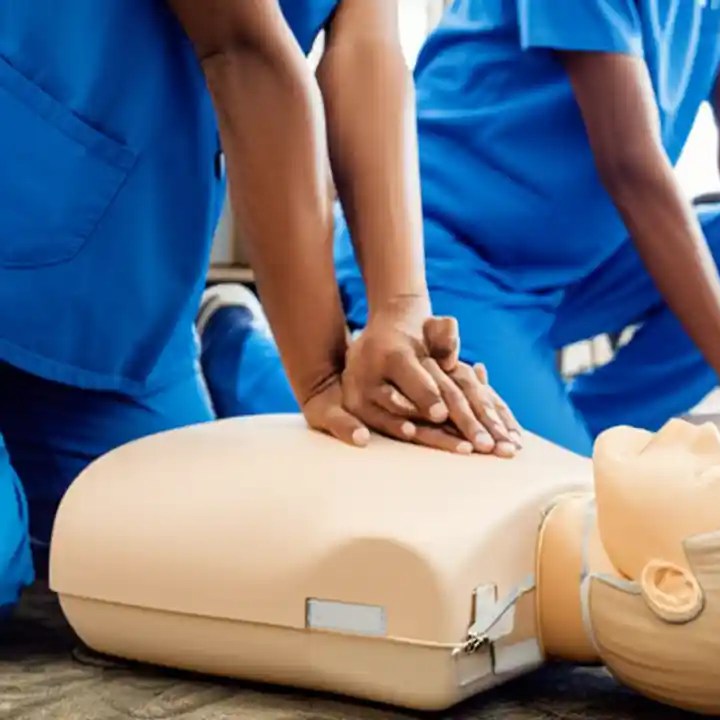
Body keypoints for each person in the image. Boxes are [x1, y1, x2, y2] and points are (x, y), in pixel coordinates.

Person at [200, 0, 720, 457]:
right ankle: (239, 355)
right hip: (453, 260)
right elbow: (632, 166)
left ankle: (572, 434)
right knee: (513, 473)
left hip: (578, 268)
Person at [0, 1, 512, 619]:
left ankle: (233, 346)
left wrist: (400, 312)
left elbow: (366, 47)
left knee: (194, 575)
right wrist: (321, 374)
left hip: (122, 287)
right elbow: (241, 50)